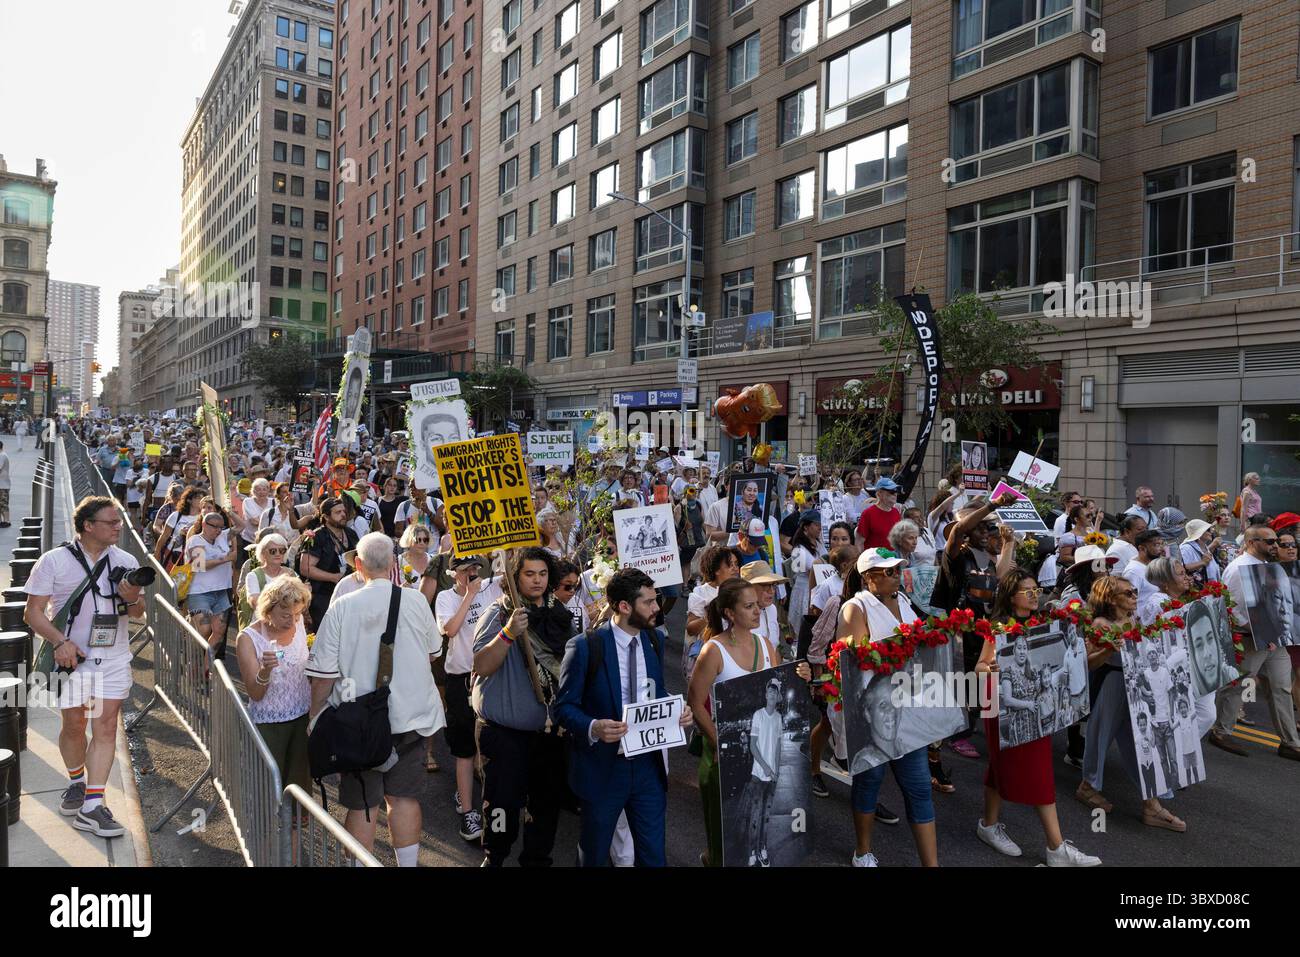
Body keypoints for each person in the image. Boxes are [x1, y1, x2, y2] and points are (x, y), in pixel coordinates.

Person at [306, 533, 445, 865]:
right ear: (395, 563)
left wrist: (313, 719)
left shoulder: (342, 607)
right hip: (412, 717)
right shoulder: (414, 601)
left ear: (358, 565)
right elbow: (433, 654)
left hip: (359, 723)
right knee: (404, 798)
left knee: (363, 803)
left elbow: (323, 675)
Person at [24, 496, 147, 837]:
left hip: (114, 657)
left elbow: (137, 613)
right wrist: (59, 641)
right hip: (72, 660)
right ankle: (77, 781)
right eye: (111, 522)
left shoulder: (125, 560)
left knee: (106, 727)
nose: (118, 527)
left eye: (119, 521)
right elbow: (32, 613)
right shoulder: (54, 561)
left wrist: (132, 595)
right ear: (88, 526)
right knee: (75, 724)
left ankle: (93, 805)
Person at [555, 568, 693, 867]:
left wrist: (675, 710)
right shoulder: (584, 647)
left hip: (647, 769)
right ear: (624, 606)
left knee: (654, 857)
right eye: (649, 602)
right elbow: (563, 708)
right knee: (594, 854)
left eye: (655, 601)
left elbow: (654, 692)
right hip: (603, 770)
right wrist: (593, 727)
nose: (657, 608)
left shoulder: (654, 641)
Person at [974, 569, 1100, 866]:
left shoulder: (1042, 623)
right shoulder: (1000, 627)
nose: (1034, 595)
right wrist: (990, 669)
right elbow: (979, 666)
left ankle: (988, 826)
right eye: (1027, 590)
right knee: (1039, 774)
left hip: (1031, 710)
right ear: (1011, 595)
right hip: (1001, 709)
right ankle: (1056, 848)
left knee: (1000, 766)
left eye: (1035, 590)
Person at [687, 578, 809, 866]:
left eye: (757, 605)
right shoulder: (713, 651)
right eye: (749, 606)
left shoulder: (766, 645)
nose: (758, 611)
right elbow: (695, 701)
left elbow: (781, 690)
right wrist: (718, 743)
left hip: (762, 753)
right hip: (722, 753)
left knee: (760, 821)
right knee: (725, 833)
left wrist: (800, 676)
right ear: (729, 613)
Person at [472, 547, 574, 866]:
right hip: (505, 734)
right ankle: (495, 855)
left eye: (543, 574)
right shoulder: (500, 613)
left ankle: (536, 858)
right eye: (529, 574)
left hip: (550, 734)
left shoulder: (561, 616)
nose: (537, 580)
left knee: (544, 807)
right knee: (502, 805)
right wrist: (508, 634)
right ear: (515, 578)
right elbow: (481, 664)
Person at [837, 548, 934, 867]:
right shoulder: (856, 608)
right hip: (873, 714)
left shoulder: (905, 603)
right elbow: (855, 661)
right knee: (869, 782)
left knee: (920, 789)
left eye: (897, 570)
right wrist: (903, 647)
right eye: (889, 572)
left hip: (908, 711)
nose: (896, 575)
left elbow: (919, 647)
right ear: (869, 578)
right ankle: (862, 852)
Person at [1077, 575, 1187, 830]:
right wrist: (1108, 650)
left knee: (1142, 744)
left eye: (1135, 592)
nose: (1135, 597)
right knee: (1099, 737)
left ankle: (1151, 804)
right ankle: (1087, 786)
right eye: (1128, 593)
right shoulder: (1101, 623)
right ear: (1110, 598)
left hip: (1135, 687)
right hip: (1112, 686)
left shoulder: (1133, 619)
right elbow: (1087, 663)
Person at [1209, 526, 1300, 760]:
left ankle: (1290, 742)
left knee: (1281, 688)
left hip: (1273, 639)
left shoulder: (1268, 566)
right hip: (1251, 639)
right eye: (1269, 541)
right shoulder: (1239, 568)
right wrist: (1255, 631)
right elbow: (1231, 607)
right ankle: (1221, 731)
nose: (1275, 545)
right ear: (1251, 542)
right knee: (1237, 685)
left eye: (1276, 541)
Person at [435, 555, 500, 842]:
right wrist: (468, 596)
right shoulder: (445, 597)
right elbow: (449, 630)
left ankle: (491, 802)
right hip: (461, 678)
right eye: (465, 570)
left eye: (475, 568)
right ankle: (468, 811)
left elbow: (510, 573)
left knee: (490, 741)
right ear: (453, 574)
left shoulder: (490, 588)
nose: (472, 574)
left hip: (490, 676)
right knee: (463, 747)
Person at [236, 575, 313, 793]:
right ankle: (265, 827)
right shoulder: (248, 638)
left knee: (300, 788)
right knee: (266, 786)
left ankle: (297, 827)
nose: (293, 621)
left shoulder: (298, 626)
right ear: (268, 610)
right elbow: (255, 693)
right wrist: (265, 670)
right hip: (270, 722)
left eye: (297, 614)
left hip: (302, 717)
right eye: (285, 614)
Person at [299, 497, 360, 630]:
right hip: (323, 596)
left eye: (343, 511)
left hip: (349, 592)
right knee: (325, 632)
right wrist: (333, 577)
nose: (343, 515)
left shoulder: (351, 533)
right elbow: (305, 568)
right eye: (337, 512)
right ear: (326, 517)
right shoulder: (316, 536)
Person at [184, 510, 236, 656]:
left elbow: (242, 526)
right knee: (204, 630)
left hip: (220, 591)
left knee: (219, 631)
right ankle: (193, 662)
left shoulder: (223, 536)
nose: (218, 530)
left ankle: (205, 668)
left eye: (221, 527)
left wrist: (229, 512)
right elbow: (199, 565)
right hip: (199, 591)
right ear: (204, 524)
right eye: (215, 527)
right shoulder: (195, 540)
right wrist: (224, 559)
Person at [855, 476, 902, 550]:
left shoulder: (896, 512)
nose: (895, 494)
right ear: (879, 493)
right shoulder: (868, 513)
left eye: (896, 491)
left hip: (894, 559)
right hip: (875, 559)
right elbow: (859, 542)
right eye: (891, 491)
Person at [1179, 518, 1222, 588]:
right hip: (1197, 591)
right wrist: (1202, 562)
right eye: (1208, 530)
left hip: (1210, 590)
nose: (1211, 531)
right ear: (1199, 533)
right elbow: (1183, 567)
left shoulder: (1204, 546)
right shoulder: (1186, 547)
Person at [0, 440, 10, 527]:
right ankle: (3, 521)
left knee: (3, 504)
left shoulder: (1, 456)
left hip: (2, 485)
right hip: (2, 484)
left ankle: (6, 521)